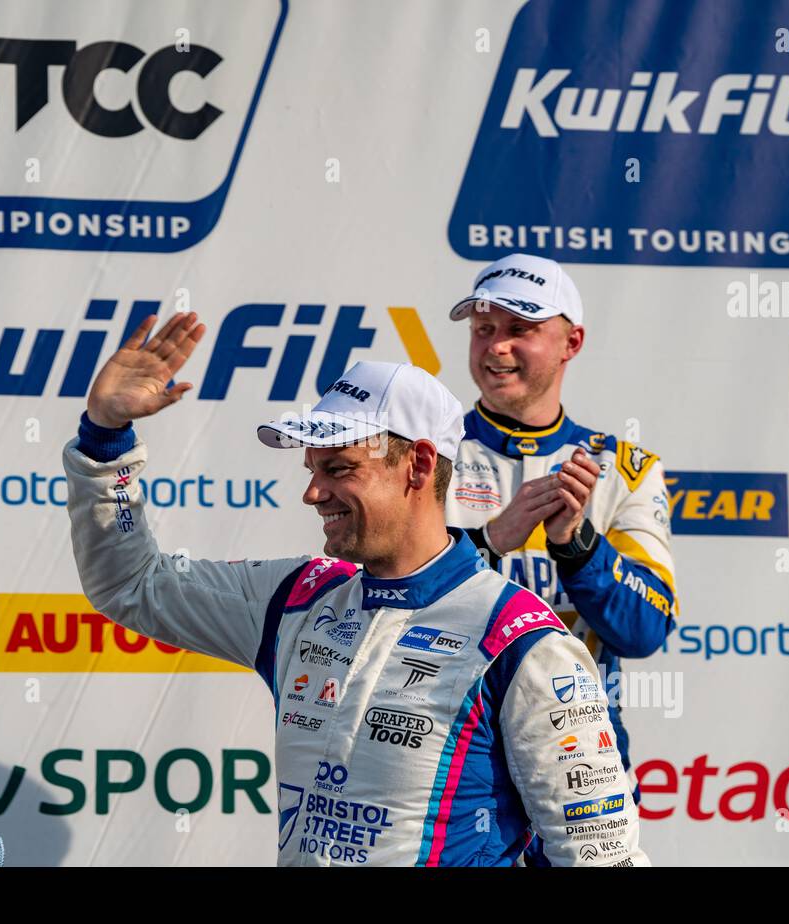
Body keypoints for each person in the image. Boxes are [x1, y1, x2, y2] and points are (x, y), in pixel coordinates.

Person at [64, 311, 649, 866]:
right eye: (312, 470)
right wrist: (105, 437)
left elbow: (599, 855)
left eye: (339, 470)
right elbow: (133, 583)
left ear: (419, 466)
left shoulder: (522, 641)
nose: (313, 494)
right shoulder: (296, 597)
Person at [445, 254, 679, 801]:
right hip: (448, 755)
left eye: (520, 329)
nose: (496, 347)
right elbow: (382, 604)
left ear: (572, 343)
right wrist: (487, 544)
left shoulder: (626, 468)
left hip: (582, 761)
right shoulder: (429, 452)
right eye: (484, 329)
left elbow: (644, 629)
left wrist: (577, 546)